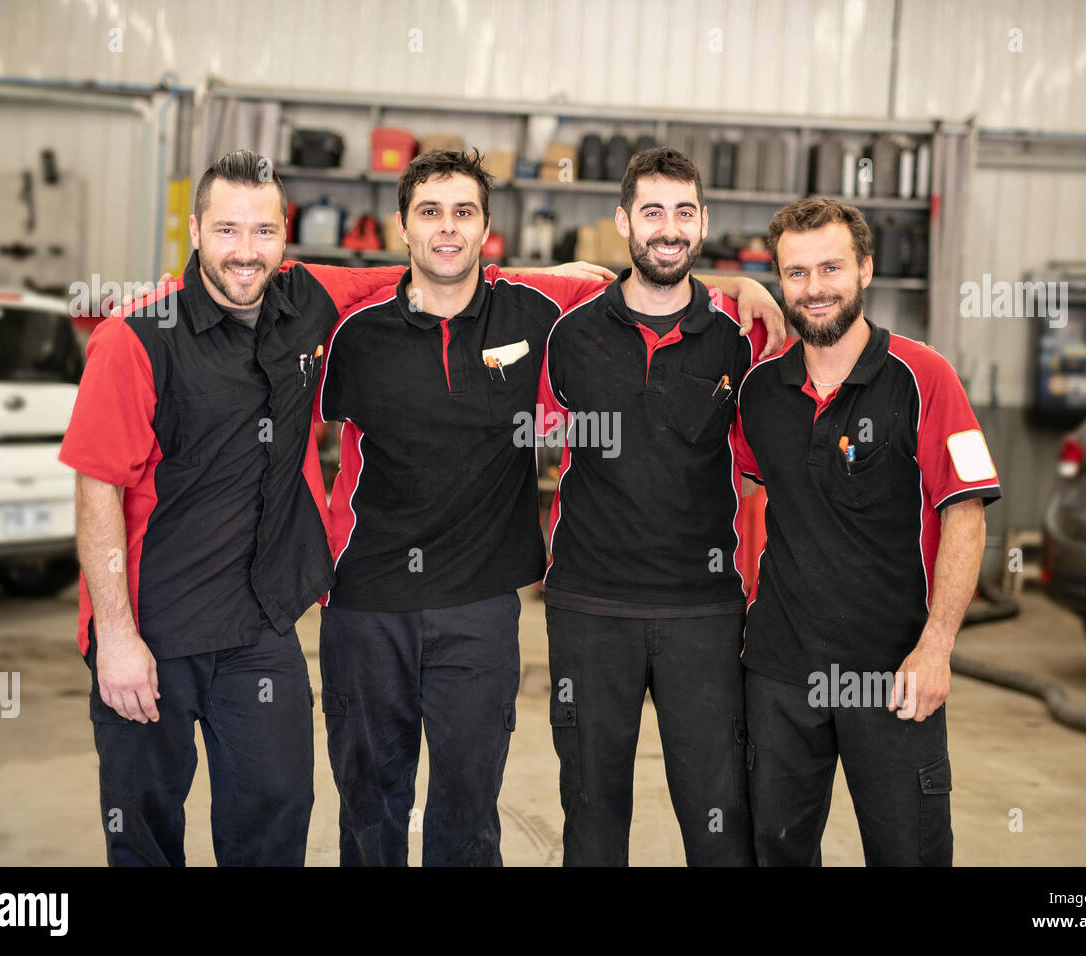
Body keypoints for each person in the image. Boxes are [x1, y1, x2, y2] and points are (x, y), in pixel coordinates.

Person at [315, 148, 783, 866]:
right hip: (371, 603)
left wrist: (737, 281)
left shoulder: (540, 311)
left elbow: (652, 275)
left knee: (469, 814)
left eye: (464, 212)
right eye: (429, 213)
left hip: (490, 606)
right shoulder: (356, 329)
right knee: (372, 809)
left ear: (488, 228)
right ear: (400, 226)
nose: (447, 229)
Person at [60, 149, 403, 866]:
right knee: (144, 833)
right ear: (194, 231)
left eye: (263, 232)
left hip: (260, 627)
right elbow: (98, 491)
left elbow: (429, 272)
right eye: (226, 231)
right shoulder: (134, 339)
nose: (245, 253)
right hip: (152, 627)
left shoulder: (306, 297)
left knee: (276, 818)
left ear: (286, 235)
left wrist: (563, 288)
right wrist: (117, 639)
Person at [734, 197, 1001, 866]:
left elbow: (964, 511)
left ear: (866, 270)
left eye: (831, 268)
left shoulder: (924, 377)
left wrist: (936, 647)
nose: (815, 288)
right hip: (780, 669)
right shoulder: (759, 391)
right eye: (795, 274)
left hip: (894, 669)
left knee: (908, 850)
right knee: (775, 850)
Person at [536, 148, 764, 865]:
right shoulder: (568, 334)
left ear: (704, 224)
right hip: (588, 608)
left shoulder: (740, 337)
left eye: (684, 213)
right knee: (593, 819)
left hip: (702, 610)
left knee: (720, 816)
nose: (669, 229)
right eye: (653, 212)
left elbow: (766, 462)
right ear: (623, 221)